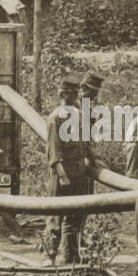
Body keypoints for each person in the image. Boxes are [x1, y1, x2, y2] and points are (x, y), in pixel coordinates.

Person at [46, 76, 94, 264]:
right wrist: (63, 176)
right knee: (56, 215)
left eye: (76, 93)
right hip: (62, 172)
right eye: (70, 93)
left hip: (79, 171)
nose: (74, 97)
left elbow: (86, 145)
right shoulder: (55, 118)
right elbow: (54, 152)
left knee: (76, 216)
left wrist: (95, 162)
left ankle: (70, 257)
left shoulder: (79, 115)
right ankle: (49, 256)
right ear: (62, 94)